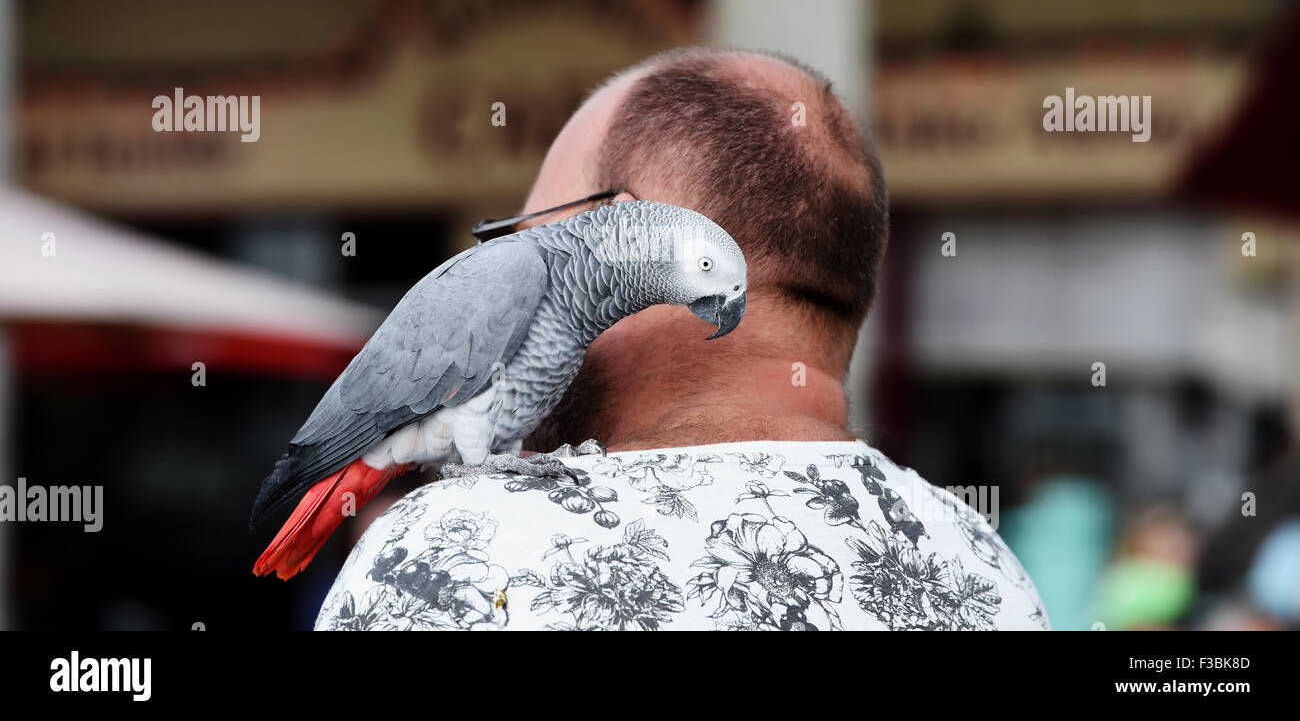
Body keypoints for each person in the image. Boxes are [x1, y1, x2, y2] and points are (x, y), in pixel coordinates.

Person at [315, 47, 1049, 631]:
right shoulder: (986, 566)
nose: (508, 275)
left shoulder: (450, 552)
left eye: (531, 239)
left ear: (630, 239)